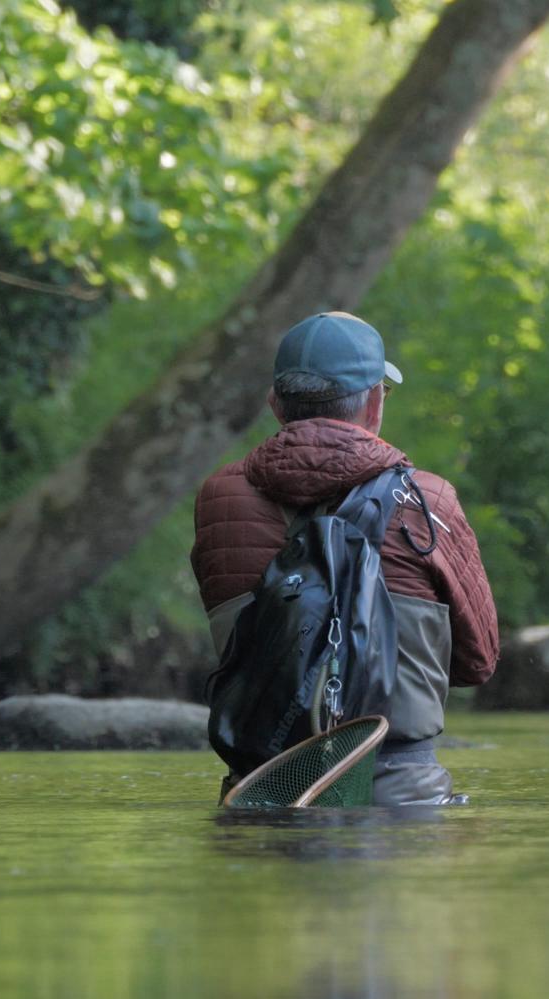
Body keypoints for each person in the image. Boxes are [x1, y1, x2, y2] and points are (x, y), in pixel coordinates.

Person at [190, 311, 499, 805]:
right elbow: (477, 662)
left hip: (265, 792)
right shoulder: (427, 501)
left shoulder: (221, 499)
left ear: (275, 404)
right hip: (401, 796)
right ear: (375, 402)